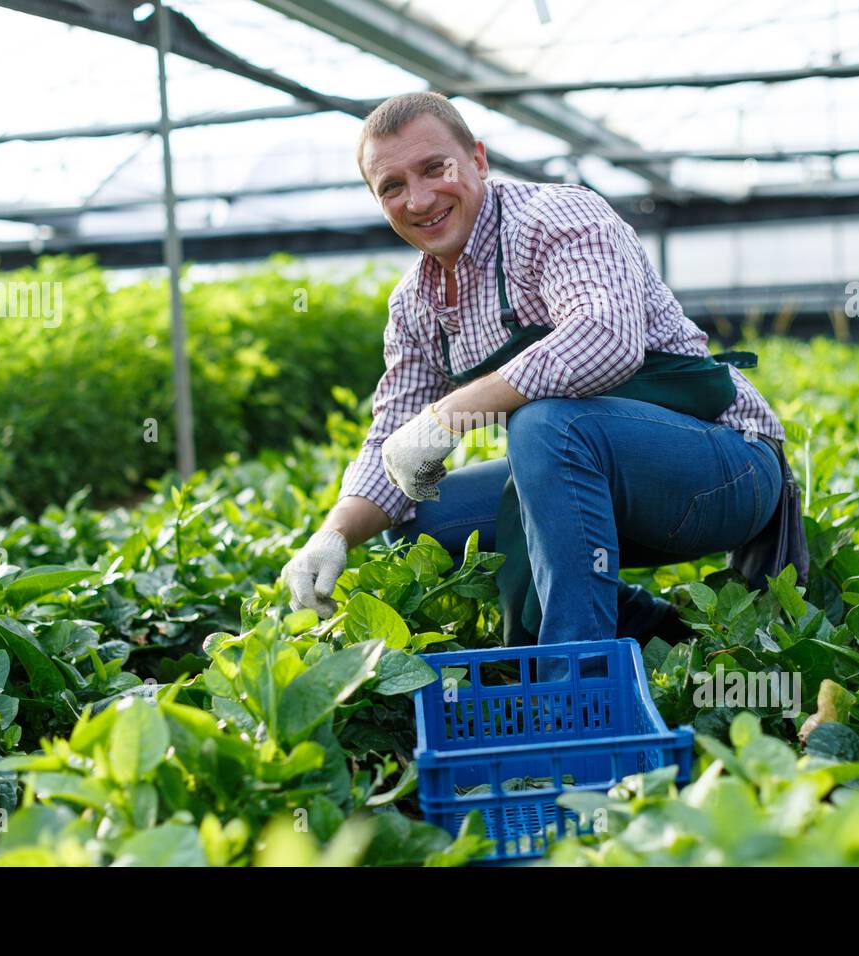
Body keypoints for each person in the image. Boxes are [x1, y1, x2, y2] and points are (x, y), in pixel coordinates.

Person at [281, 91, 786, 650]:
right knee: (420, 519)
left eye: (434, 168)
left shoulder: (554, 216)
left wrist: (448, 417)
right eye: (392, 187)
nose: (419, 199)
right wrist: (332, 535)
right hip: (596, 495)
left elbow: (604, 338)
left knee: (546, 425)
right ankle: (655, 629)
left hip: (723, 467)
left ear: (477, 159)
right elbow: (390, 441)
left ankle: (574, 679)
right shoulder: (414, 305)